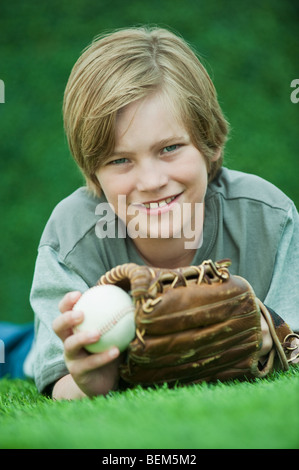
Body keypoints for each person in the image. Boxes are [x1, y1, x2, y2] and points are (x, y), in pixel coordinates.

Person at [2, 26, 298, 399]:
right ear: (94, 172)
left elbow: (295, 345)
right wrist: (88, 382)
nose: (152, 180)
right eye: (120, 159)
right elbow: (59, 380)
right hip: (25, 349)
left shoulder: (266, 217)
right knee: (13, 348)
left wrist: (267, 333)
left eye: (170, 148)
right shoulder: (73, 231)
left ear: (208, 143)